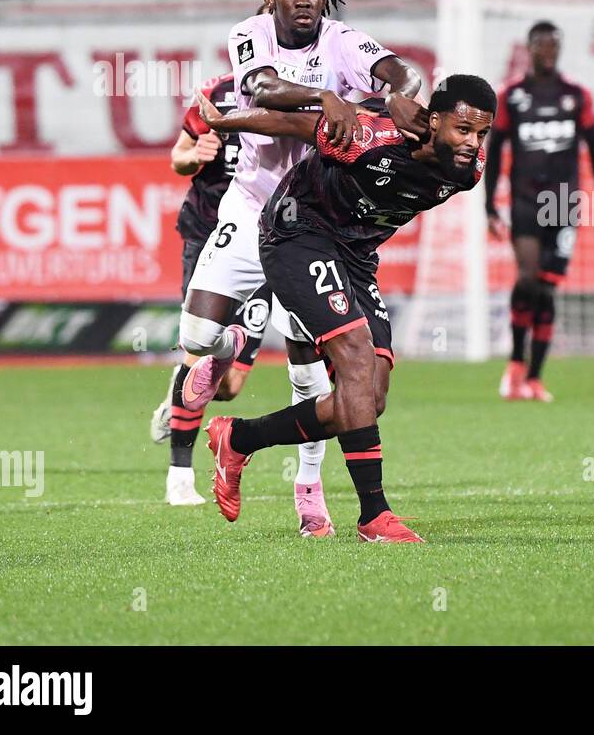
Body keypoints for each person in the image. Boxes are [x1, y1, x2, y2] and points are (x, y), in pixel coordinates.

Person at [168, 0, 428, 534]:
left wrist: (392, 93)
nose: (305, 0)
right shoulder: (249, 33)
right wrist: (328, 96)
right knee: (196, 336)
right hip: (252, 198)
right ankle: (232, 346)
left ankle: (310, 497)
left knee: (312, 371)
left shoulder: (342, 40)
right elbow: (260, 88)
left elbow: (402, 71)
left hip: (310, 219)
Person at [197, 75, 496, 543]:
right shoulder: (370, 137)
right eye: (462, 130)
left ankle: (238, 439)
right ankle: (374, 515)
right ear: (434, 121)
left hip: (355, 256)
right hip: (297, 234)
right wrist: (223, 120)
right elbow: (285, 122)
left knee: (369, 397)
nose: (472, 144)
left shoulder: (467, 171)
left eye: (482, 133)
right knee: (355, 357)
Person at [153, 71, 273, 508]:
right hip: (209, 234)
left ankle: (184, 384)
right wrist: (196, 153)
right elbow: (179, 157)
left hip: (267, 241)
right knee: (198, 352)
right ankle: (179, 478)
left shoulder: (304, 95)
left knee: (230, 385)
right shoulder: (217, 94)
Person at [484, 21, 594, 402]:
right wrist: (489, 204)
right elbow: (494, 152)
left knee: (547, 287)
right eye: (541, 44)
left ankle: (535, 378)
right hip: (525, 199)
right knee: (527, 278)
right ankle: (514, 364)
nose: (547, 51)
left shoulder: (576, 95)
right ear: (529, 48)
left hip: (562, 202)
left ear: (560, 48)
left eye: (554, 44)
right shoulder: (512, 96)